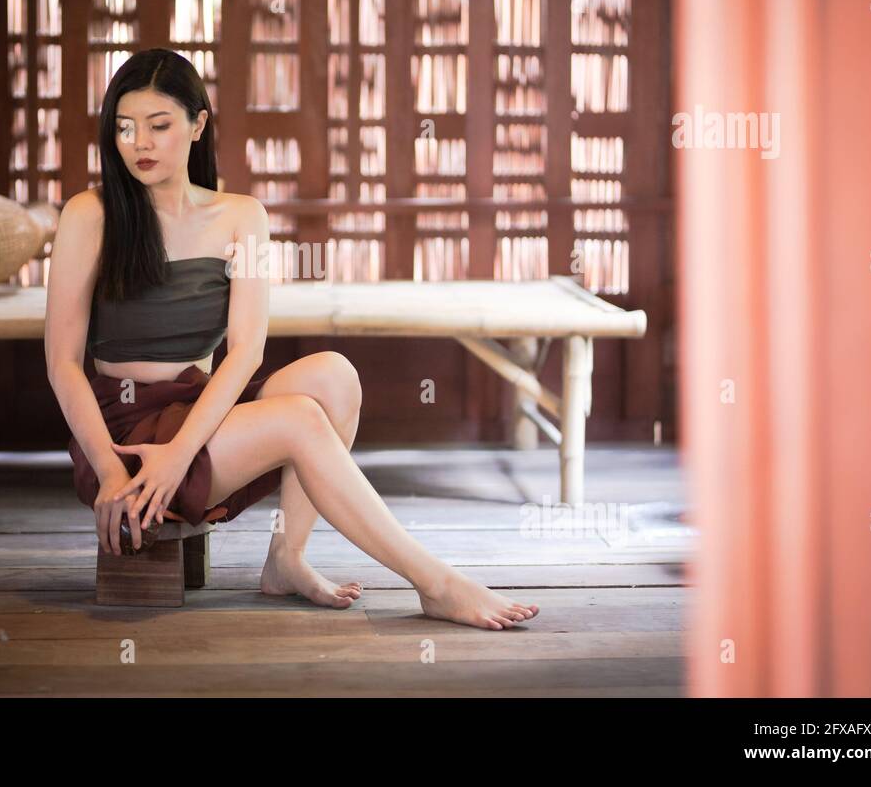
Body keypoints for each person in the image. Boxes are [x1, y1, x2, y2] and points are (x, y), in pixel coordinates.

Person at [44, 48, 539, 630]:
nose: (140, 144)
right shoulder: (90, 214)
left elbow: (246, 351)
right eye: (125, 128)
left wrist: (181, 455)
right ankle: (436, 583)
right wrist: (108, 469)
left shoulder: (242, 216)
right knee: (300, 419)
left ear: (198, 125)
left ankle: (287, 557)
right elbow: (63, 363)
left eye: (159, 125)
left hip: (194, 417)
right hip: (125, 437)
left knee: (334, 376)